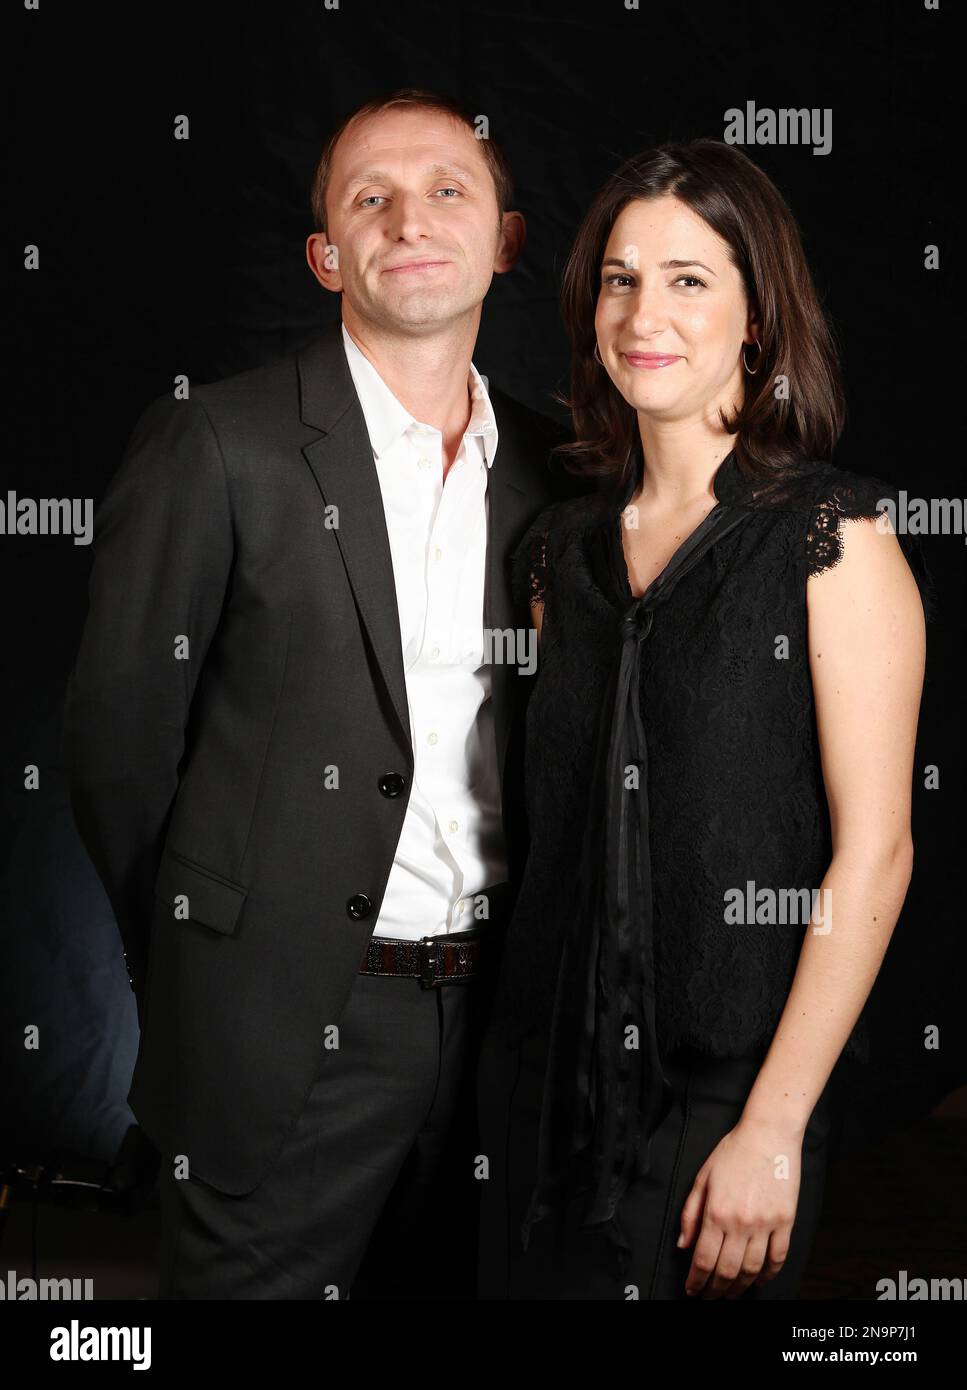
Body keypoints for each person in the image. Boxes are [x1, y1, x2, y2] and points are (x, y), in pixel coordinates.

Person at [62, 87, 579, 1300]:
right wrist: (212, 956)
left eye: (449, 189)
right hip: (282, 1029)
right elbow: (117, 749)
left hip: (508, 1023)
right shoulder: (217, 444)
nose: (411, 219)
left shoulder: (568, 474)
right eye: (371, 199)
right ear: (325, 253)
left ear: (504, 239)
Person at [476, 139, 936, 1301]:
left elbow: (875, 847)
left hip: (728, 1098)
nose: (645, 312)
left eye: (688, 278)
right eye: (621, 278)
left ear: (758, 320)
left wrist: (773, 1127)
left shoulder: (835, 538)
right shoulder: (555, 552)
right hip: (535, 1086)